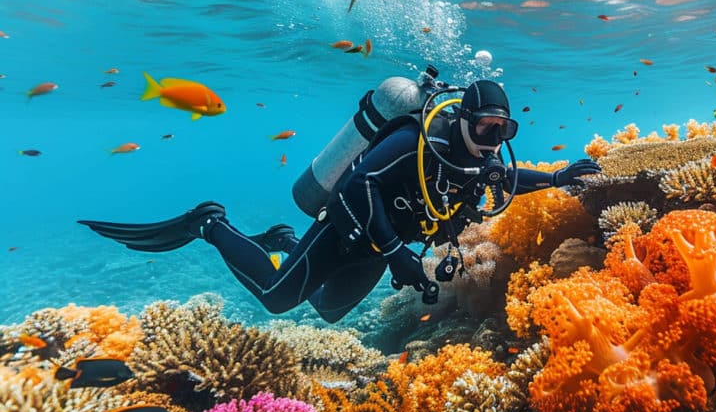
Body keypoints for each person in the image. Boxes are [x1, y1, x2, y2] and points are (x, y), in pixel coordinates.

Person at [80, 79, 601, 323]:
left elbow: (509, 177)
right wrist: (398, 252)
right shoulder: (416, 145)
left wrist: (558, 179)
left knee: (328, 309)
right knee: (279, 298)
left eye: (502, 128)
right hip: (348, 226)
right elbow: (358, 186)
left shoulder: (480, 158)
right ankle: (210, 222)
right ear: (462, 118)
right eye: (485, 126)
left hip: (381, 247)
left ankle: (284, 238)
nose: (493, 138)